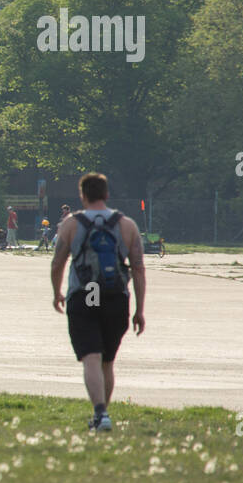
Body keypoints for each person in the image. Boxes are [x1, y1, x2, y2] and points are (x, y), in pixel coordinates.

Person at [50, 172, 147, 432]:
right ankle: (103, 413)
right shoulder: (127, 225)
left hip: (85, 294)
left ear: (82, 195)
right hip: (116, 298)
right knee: (107, 361)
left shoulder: (71, 224)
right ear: (106, 194)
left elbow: (58, 262)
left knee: (91, 357)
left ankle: (100, 412)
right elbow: (138, 267)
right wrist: (139, 309)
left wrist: (56, 292)